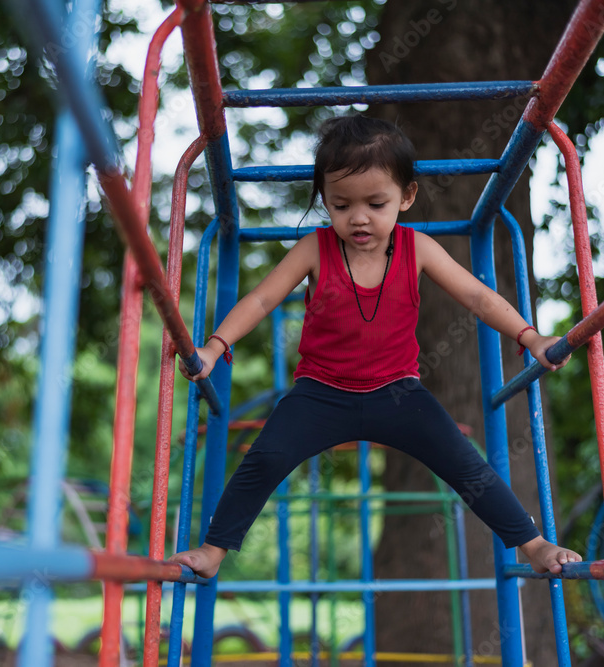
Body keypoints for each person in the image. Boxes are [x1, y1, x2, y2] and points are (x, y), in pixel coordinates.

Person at [169, 115, 581, 580]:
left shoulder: (418, 248)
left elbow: (476, 296)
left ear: (406, 197)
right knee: (264, 458)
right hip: (320, 393)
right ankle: (213, 550)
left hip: (398, 394)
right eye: (341, 204)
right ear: (325, 200)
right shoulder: (314, 248)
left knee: (464, 461)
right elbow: (263, 298)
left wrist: (531, 338)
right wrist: (213, 346)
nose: (358, 217)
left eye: (375, 202)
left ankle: (534, 543)